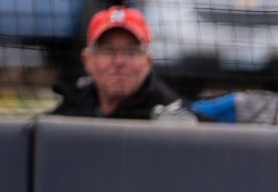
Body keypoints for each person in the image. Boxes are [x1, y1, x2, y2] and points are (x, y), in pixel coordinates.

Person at [47, 7, 190, 121]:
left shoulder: (170, 115)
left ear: (148, 61)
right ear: (87, 60)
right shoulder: (69, 112)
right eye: (108, 51)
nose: (119, 62)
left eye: (131, 52)